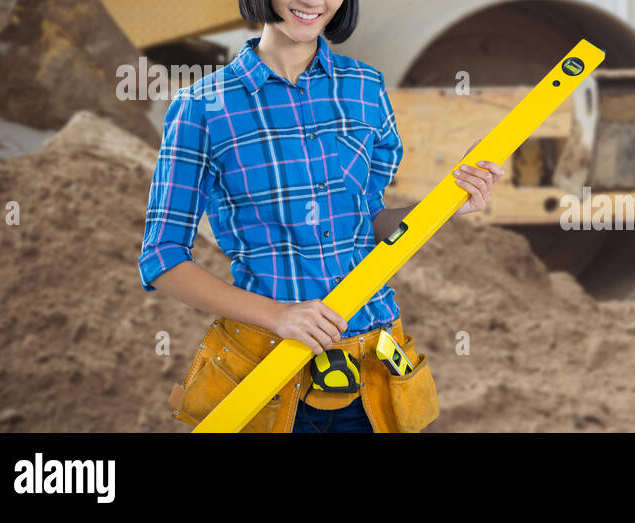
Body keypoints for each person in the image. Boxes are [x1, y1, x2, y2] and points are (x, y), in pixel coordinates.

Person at [138, 0, 503, 432]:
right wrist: (280, 315)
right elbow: (162, 259)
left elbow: (370, 220)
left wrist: (449, 200)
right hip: (270, 373)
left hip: (375, 370)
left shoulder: (366, 88)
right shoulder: (202, 106)